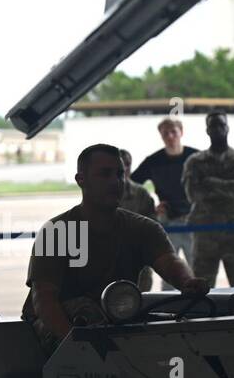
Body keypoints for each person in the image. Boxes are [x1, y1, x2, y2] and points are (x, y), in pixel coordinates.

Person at [22, 144, 207, 355]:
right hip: (58, 326)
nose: (115, 182)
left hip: (114, 318)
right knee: (87, 311)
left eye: (119, 174)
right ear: (81, 180)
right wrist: (78, 345)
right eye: (104, 174)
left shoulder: (143, 228)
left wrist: (187, 282)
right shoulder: (57, 232)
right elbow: (44, 301)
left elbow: (169, 262)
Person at [183, 112, 234, 288]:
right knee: (201, 287)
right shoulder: (195, 162)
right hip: (205, 231)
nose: (217, 129)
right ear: (207, 130)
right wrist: (228, 186)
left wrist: (211, 182)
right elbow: (193, 194)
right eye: (213, 126)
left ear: (227, 128)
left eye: (221, 125)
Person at [131, 117, 198, 290]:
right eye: (165, 133)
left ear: (181, 132)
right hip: (168, 221)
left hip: (195, 220)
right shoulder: (153, 161)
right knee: (169, 271)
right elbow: (131, 184)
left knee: (198, 269)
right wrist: (151, 209)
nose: (170, 136)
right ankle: (169, 309)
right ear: (160, 135)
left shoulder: (196, 158)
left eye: (173, 132)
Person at [118, 149, 158, 292]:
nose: (124, 168)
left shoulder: (141, 193)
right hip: (109, 258)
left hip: (138, 258)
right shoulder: (99, 193)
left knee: (142, 299)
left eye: (127, 164)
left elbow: (152, 224)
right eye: (120, 164)